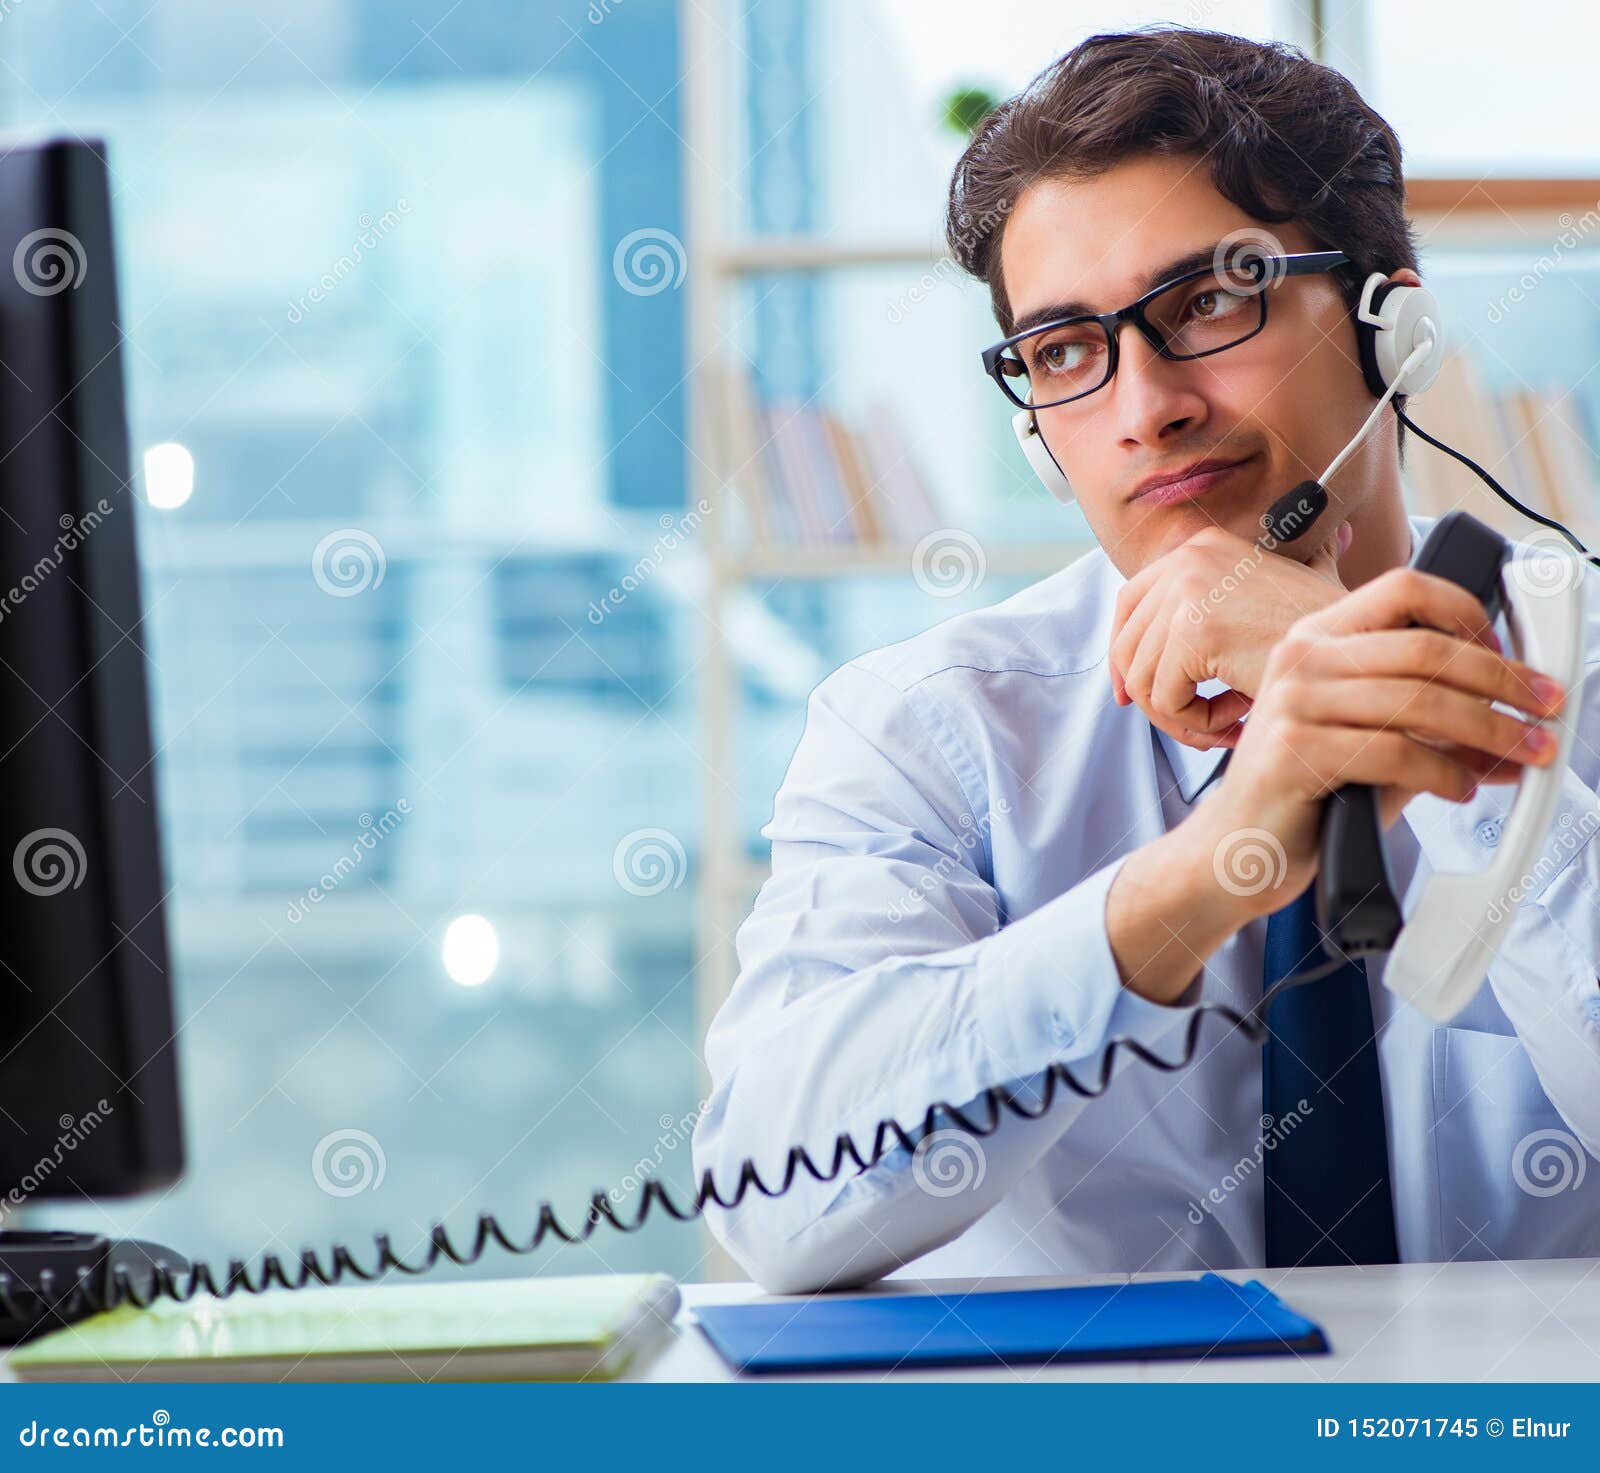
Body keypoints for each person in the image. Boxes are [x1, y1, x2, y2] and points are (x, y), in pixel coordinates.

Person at [691, 27, 1600, 1294]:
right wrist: (1181, 890)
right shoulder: (930, 731)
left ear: (1394, 322)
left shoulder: (1584, 668)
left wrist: (1433, 715)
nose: (1145, 404)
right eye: (1065, 350)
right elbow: (777, 1202)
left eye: (1210, 303)